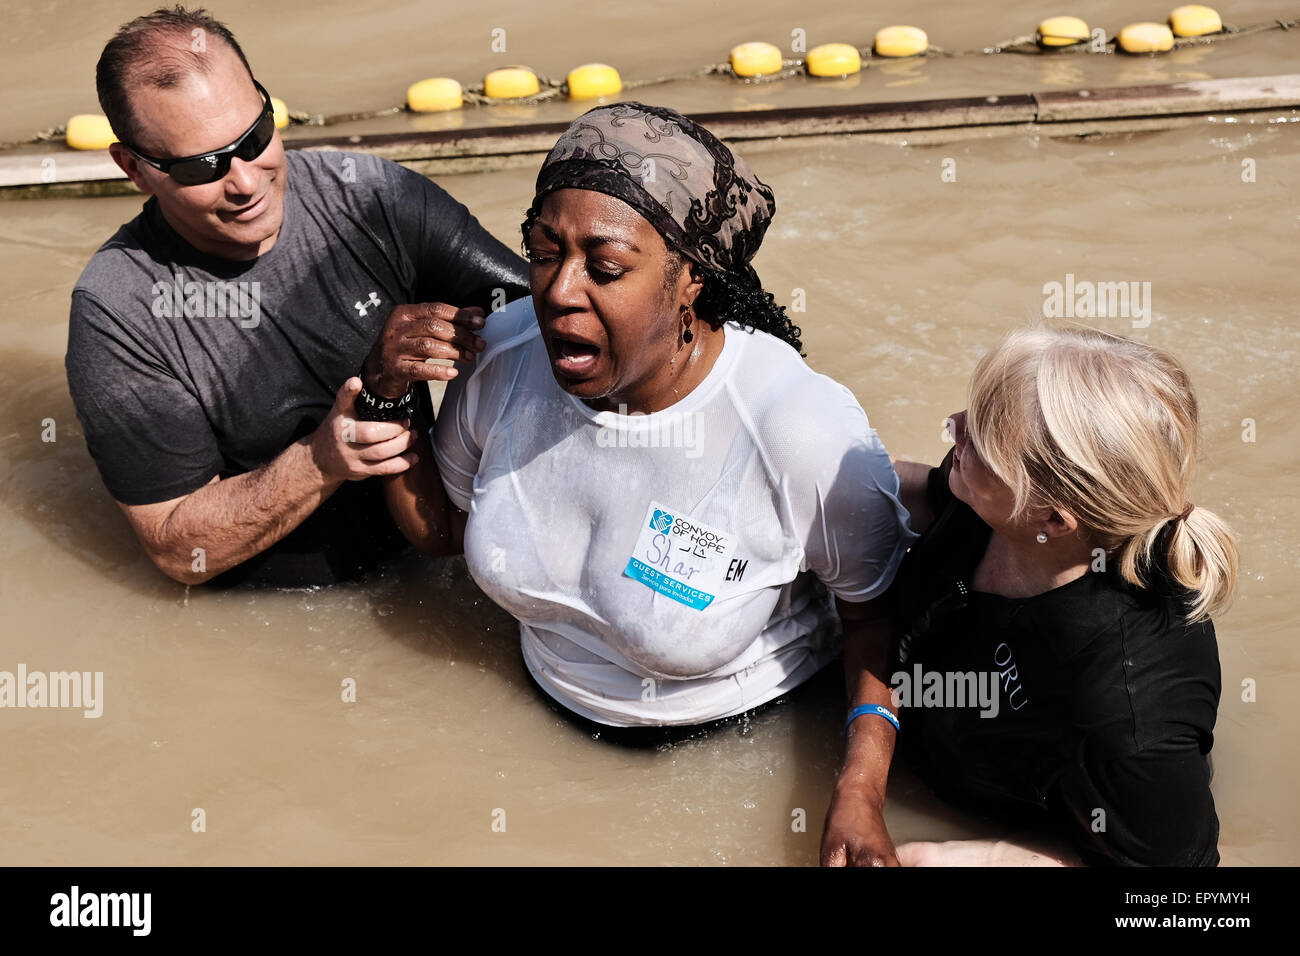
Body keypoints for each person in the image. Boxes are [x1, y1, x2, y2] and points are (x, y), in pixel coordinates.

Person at [366, 101, 916, 739]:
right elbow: (444, 532)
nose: (560, 291)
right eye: (544, 253)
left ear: (691, 281)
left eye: (606, 268)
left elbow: (877, 620)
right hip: (536, 715)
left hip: (742, 734)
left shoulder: (794, 426)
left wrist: (858, 790)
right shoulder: (500, 357)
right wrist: (389, 391)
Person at [65, 6, 528, 587]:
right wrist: (321, 459)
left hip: (430, 561)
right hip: (277, 615)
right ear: (134, 167)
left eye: (254, 136)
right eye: (202, 166)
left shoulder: (370, 196)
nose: (246, 182)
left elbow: (542, 314)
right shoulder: (118, 313)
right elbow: (176, 549)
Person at [823, 326, 1235, 867]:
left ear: (1053, 518)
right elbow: (918, 491)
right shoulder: (991, 501)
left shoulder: (1130, 717)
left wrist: (983, 857)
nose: (955, 427)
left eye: (984, 435)